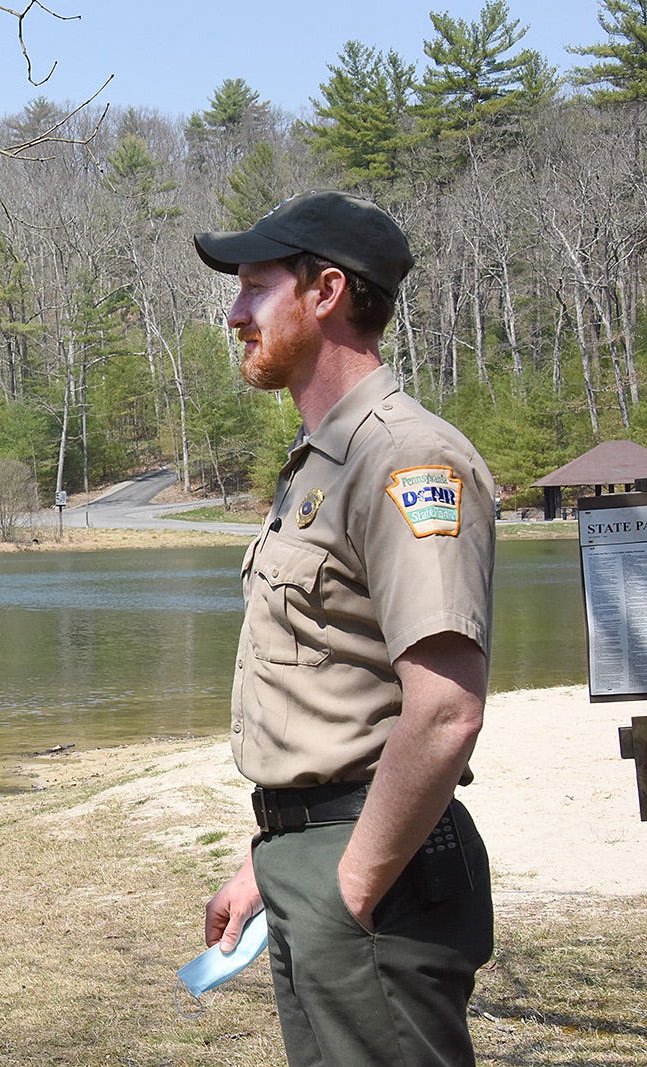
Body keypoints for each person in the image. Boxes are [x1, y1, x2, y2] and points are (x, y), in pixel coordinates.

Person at [193, 190, 496, 1066]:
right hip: (313, 856)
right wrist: (271, 865)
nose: (234, 314)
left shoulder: (406, 456)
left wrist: (349, 887)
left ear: (326, 293)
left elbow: (444, 711)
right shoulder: (320, 463)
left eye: (254, 287)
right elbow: (337, 688)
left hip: (377, 874)